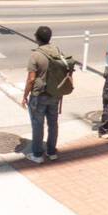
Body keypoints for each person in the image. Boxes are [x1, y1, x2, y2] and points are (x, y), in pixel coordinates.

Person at [22, 25, 73, 163]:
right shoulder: (56, 50)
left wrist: (25, 95)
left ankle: (37, 155)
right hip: (55, 94)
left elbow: (31, 79)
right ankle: (51, 152)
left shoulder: (36, 55)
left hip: (39, 95)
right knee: (53, 123)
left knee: (37, 124)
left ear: (37, 38)